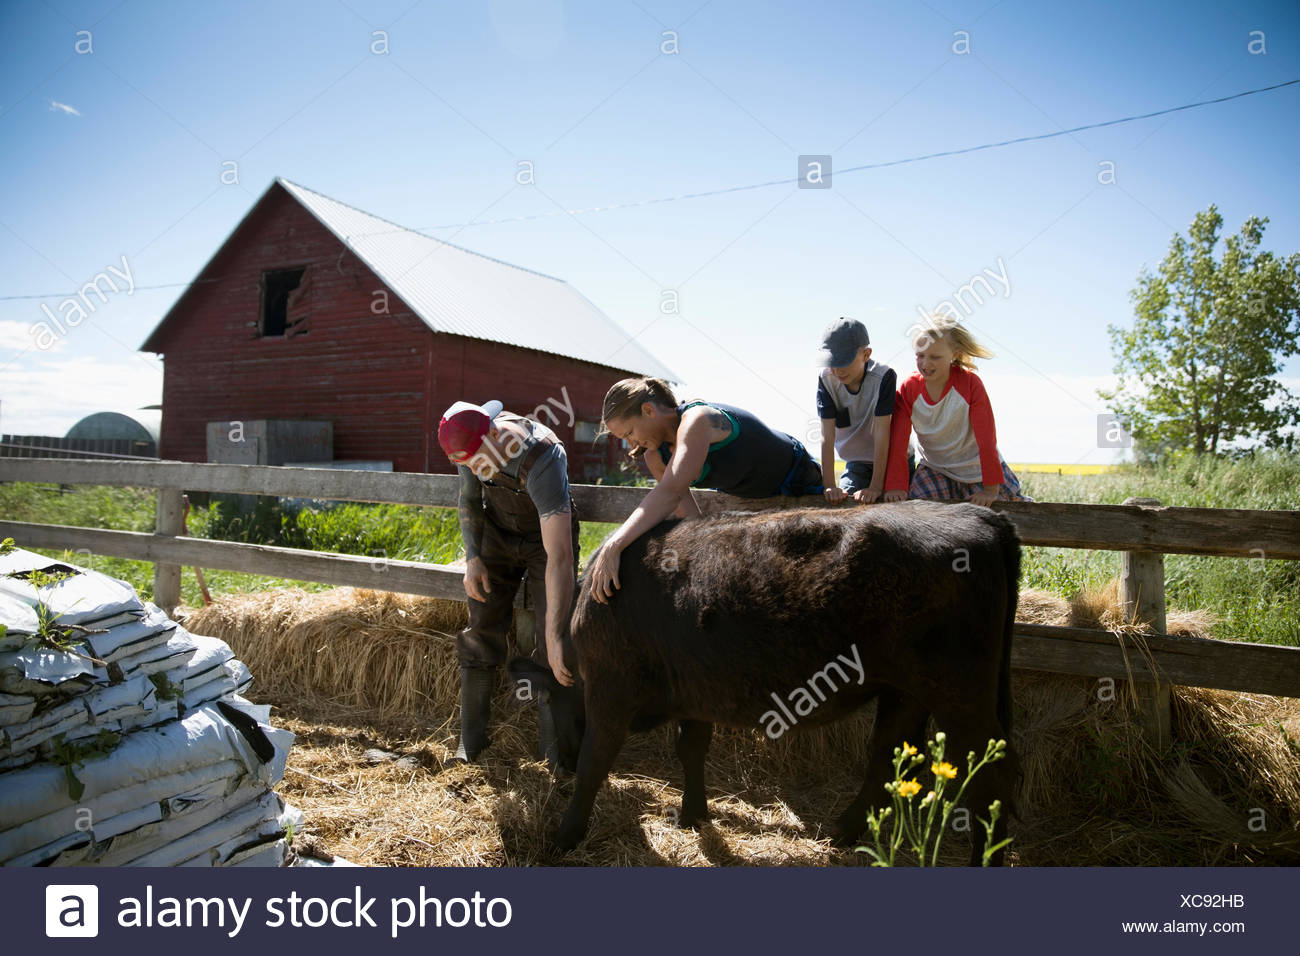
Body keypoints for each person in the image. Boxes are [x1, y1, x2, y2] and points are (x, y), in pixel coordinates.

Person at [587, 377, 824, 603]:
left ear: (648, 410)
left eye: (629, 433)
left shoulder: (697, 419)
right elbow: (691, 518)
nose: (631, 444)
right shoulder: (656, 457)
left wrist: (613, 544)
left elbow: (670, 492)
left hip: (798, 480)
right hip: (754, 503)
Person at [438, 399, 579, 767]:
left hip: (546, 540)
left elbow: (560, 556)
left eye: (477, 461)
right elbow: (469, 498)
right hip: (497, 534)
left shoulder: (543, 458)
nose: (474, 469)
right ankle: (471, 743)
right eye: (465, 464)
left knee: (557, 640)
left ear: (496, 434)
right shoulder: (468, 443)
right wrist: (473, 558)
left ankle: (557, 754)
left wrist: (552, 633)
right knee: (480, 628)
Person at [883, 318, 1030, 506]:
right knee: (920, 510)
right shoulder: (909, 389)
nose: (925, 364)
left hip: (977, 470)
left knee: (1003, 514)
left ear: (955, 354)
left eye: (935, 357)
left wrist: (990, 489)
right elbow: (899, 441)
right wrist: (896, 486)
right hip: (937, 469)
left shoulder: (970, 384)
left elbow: (987, 439)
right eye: (920, 355)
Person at [814, 317, 907, 503]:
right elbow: (827, 436)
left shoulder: (883, 377)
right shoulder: (826, 380)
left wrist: (875, 487)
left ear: (866, 354)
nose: (837, 370)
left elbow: (882, 434)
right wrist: (830, 485)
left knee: (897, 505)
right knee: (843, 504)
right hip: (856, 464)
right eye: (832, 361)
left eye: (844, 361)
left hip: (891, 461)